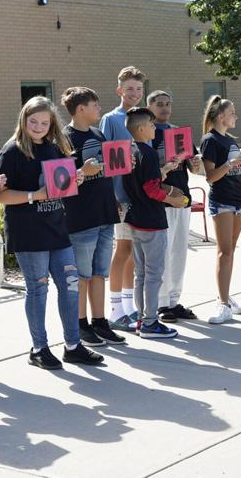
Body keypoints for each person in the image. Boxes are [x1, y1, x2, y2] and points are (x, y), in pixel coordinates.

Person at [0, 96, 105, 369]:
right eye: (33, 121)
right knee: (38, 290)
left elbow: (61, 185)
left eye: (44, 122)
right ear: (24, 120)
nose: (39, 126)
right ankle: (39, 348)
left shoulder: (56, 148)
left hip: (57, 229)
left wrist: (75, 178)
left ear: (52, 123)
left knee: (69, 286)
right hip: (28, 232)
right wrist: (35, 195)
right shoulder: (12, 151)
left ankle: (73, 345)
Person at [59, 87, 128, 347]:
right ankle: (81, 325)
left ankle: (100, 322)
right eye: (95, 105)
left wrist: (113, 199)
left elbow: (108, 172)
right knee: (82, 274)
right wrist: (81, 171)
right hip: (80, 216)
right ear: (80, 109)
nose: (99, 109)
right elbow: (61, 181)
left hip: (104, 213)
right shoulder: (64, 139)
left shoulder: (98, 134)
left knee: (100, 272)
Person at [201, 95, 241, 323]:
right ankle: (222, 303)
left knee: (230, 251)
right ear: (221, 117)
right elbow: (210, 177)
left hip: (240, 199)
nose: (236, 117)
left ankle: (225, 296)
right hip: (222, 201)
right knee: (224, 251)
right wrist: (231, 163)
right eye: (232, 113)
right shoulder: (211, 140)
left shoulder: (231, 141)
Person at [122, 107, 186, 337]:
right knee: (153, 273)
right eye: (151, 125)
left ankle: (141, 319)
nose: (154, 128)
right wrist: (172, 200)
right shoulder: (147, 153)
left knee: (141, 273)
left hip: (135, 217)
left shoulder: (129, 151)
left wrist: (165, 169)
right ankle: (150, 322)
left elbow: (142, 181)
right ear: (141, 128)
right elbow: (151, 189)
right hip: (152, 219)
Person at [149, 90, 202, 321]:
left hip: (183, 198)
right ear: (149, 107)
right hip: (163, 199)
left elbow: (194, 167)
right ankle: (161, 304)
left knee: (179, 251)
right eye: (159, 104)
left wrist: (194, 162)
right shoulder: (149, 134)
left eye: (168, 104)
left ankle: (174, 299)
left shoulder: (179, 132)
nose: (164, 108)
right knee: (164, 252)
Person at [100, 66, 146, 330]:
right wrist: (111, 194)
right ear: (119, 91)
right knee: (123, 250)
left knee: (134, 253)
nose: (135, 93)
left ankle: (129, 306)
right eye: (129, 89)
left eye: (139, 89)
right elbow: (107, 159)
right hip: (121, 195)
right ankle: (116, 308)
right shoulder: (112, 119)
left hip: (141, 195)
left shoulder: (143, 117)